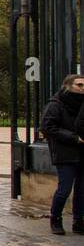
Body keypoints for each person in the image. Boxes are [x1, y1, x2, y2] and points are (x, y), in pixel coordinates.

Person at [41, 73, 84, 235]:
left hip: (82, 151)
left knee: (82, 189)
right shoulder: (56, 104)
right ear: (68, 86)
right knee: (65, 188)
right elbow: (48, 127)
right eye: (79, 85)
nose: (82, 89)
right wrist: (73, 137)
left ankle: (79, 221)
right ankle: (56, 218)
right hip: (65, 152)